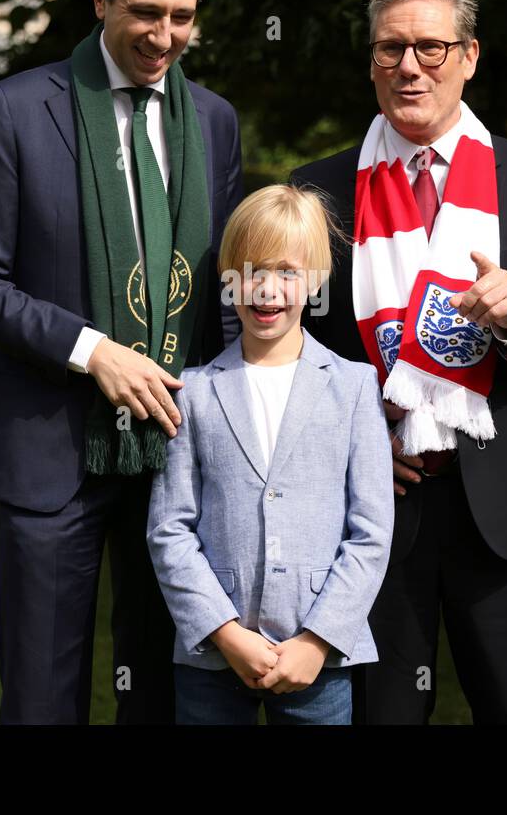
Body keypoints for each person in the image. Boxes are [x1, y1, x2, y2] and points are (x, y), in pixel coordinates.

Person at [0, 0, 244, 724]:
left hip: (176, 456)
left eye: (182, 15)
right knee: (41, 700)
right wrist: (92, 350)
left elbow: (220, 287)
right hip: (49, 454)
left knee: (166, 692)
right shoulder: (14, 109)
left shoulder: (214, 120)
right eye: (146, 11)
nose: (164, 34)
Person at [291, 0, 507, 724]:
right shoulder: (319, 189)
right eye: (390, 49)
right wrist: (354, 427)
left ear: (470, 56)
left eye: (431, 48)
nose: (409, 66)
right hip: (371, 513)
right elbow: (283, 350)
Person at [147, 184, 394, 724]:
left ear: (315, 280)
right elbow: (170, 528)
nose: (267, 289)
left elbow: (371, 531)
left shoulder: (354, 387)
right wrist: (224, 633)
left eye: (287, 271)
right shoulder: (194, 392)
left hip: (318, 660)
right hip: (213, 658)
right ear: (229, 276)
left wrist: (319, 638)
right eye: (251, 270)